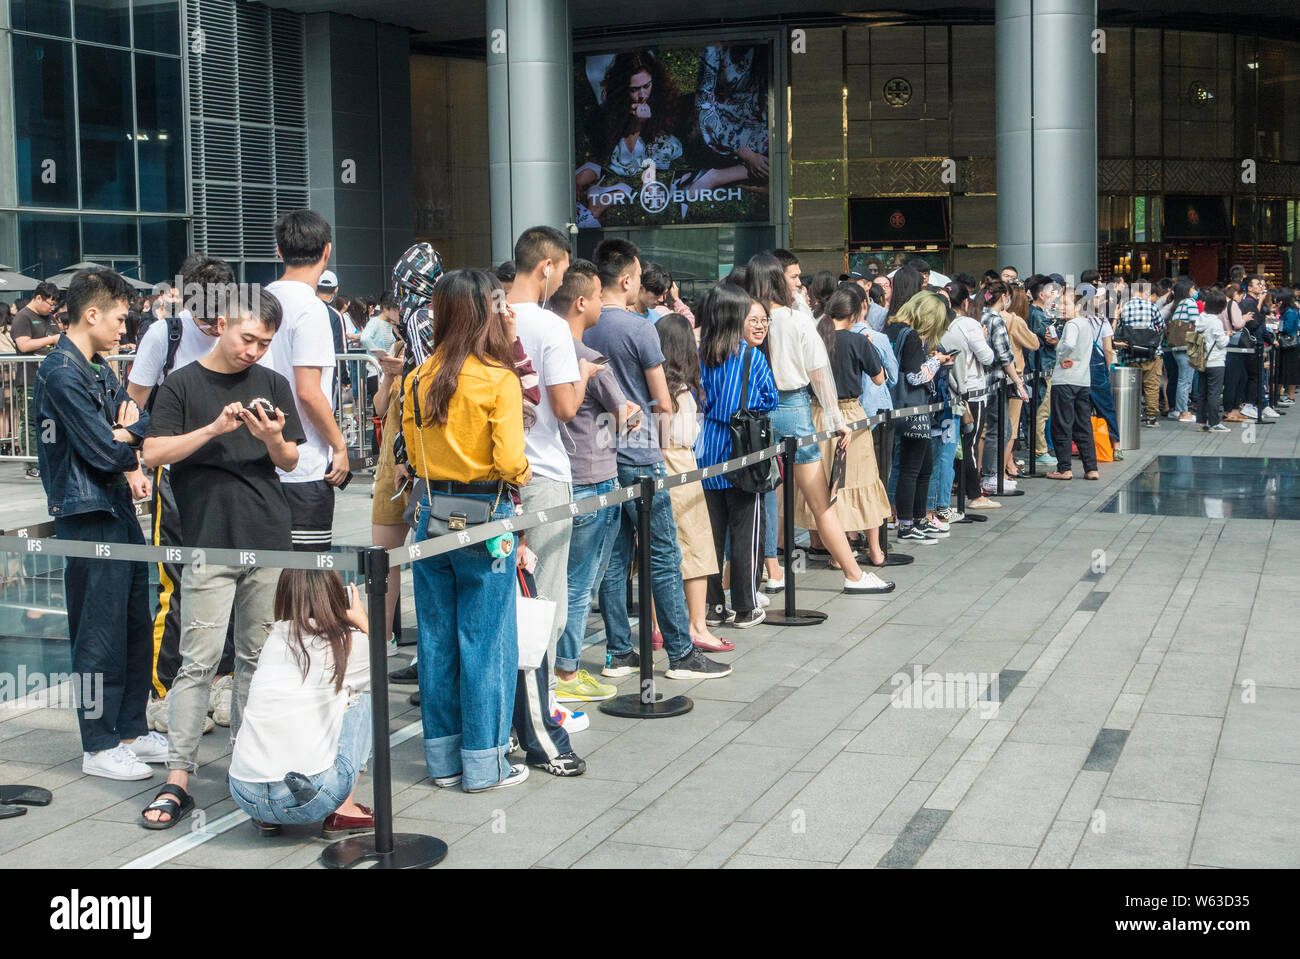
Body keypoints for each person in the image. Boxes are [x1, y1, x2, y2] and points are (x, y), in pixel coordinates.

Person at [139, 288, 304, 827]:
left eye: (265, 342)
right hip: (207, 540)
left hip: (267, 534)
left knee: (257, 658)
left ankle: (247, 767)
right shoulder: (182, 385)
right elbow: (154, 452)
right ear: (220, 325)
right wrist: (213, 429)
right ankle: (178, 777)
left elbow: (290, 457)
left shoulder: (273, 385)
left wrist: (275, 438)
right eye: (247, 337)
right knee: (198, 663)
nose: (253, 351)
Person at [402, 268, 533, 791]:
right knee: (486, 639)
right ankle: (486, 763)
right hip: (487, 512)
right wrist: (526, 477)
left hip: (430, 513)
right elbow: (510, 461)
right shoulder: (498, 379)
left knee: (436, 639)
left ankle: (443, 761)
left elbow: (411, 455)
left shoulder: (417, 377)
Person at [584, 238, 733, 680]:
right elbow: (663, 403)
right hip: (643, 454)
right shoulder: (639, 328)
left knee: (614, 558)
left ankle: (617, 651)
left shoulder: (583, 326)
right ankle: (681, 653)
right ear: (627, 278)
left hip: (601, 454)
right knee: (664, 553)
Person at [128, 255, 262, 732]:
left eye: (220, 316)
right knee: (179, 581)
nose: (213, 326)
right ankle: (165, 691)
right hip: (180, 477)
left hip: (233, 476)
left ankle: (225, 680)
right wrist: (137, 465)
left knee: (235, 575)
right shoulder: (166, 336)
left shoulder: (241, 330)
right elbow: (136, 405)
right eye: (205, 317)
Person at [35, 269, 156, 781]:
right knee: (98, 631)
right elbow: (102, 447)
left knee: (134, 620)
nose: (125, 331)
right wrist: (124, 439)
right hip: (87, 513)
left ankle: (130, 728)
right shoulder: (62, 371)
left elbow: (140, 422)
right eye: (121, 319)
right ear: (92, 314)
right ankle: (98, 742)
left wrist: (124, 434)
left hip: (115, 507)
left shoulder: (98, 367)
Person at [748, 252, 893, 585]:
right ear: (776, 279)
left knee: (766, 496)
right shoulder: (795, 319)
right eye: (795, 277)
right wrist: (834, 418)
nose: (801, 284)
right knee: (821, 502)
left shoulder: (747, 317)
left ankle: (770, 572)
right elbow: (819, 373)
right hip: (793, 408)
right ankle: (854, 575)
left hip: (755, 413)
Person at [508, 226, 606, 713]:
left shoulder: (489, 317)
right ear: (547, 267)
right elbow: (566, 407)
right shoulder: (550, 327)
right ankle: (541, 709)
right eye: (564, 269)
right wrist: (585, 375)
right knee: (545, 596)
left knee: (504, 594)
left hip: (493, 476)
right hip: (543, 470)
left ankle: (507, 708)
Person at [227, 570, 375, 838]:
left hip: (245, 792)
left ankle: (267, 819)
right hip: (310, 795)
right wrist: (363, 622)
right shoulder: (349, 643)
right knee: (363, 697)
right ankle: (344, 809)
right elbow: (380, 665)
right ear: (334, 596)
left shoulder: (274, 638)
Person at [547, 260, 634, 701]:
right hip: (596, 479)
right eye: (599, 296)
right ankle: (566, 672)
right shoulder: (587, 358)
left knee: (562, 579)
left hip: (560, 477)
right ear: (581, 302)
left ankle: (557, 668)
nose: (603, 304)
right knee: (581, 582)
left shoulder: (540, 348)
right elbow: (625, 415)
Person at [694, 284, 779, 631]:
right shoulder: (751, 357)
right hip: (742, 451)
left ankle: (713, 606)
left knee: (709, 533)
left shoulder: (699, 354)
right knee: (746, 531)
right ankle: (745, 606)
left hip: (705, 449)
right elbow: (769, 399)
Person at [795, 288, 895, 572]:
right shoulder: (858, 341)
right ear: (854, 315)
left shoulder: (815, 339)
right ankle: (875, 550)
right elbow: (879, 379)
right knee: (863, 481)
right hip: (850, 415)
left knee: (822, 486)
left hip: (817, 414)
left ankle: (833, 551)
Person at [267, 209, 349, 550]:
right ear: (327, 251)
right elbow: (309, 392)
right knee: (305, 580)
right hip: (304, 466)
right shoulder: (311, 308)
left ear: (279, 251)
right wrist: (340, 446)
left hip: (262, 462)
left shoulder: (257, 300)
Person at [654, 310, 736, 642]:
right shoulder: (677, 393)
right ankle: (697, 627)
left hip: (658, 469)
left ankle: (657, 628)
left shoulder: (652, 385)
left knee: (658, 550)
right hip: (680, 467)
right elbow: (667, 438)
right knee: (697, 548)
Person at [886, 292, 955, 543]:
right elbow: (915, 376)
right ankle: (907, 523)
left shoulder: (893, 329)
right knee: (914, 466)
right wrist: (936, 361)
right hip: (913, 408)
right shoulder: (912, 336)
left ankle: (916, 519)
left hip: (902, 406)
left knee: (922, 465)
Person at [944, 280, 1000, 510]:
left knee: (953, 443)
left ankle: (959, 487)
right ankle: (975, 495)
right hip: (972, 391)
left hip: (950, 388)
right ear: (966, 301)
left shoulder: (942, 322)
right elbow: (988, 357)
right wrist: (984, 337)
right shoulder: (968, 323)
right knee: (969, 442)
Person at [1046, 291, 1098, 481]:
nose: (1061, 307)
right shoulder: (1086, 324)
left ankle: (1064, 468)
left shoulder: (1072, 324)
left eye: (1065, 304)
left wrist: (1060, 353)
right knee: (1083, 424)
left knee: (1062, 424)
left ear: (1077, 307)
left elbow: (1068, 344)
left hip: (1065, 380)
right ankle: (1091, 468)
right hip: (1083, 380)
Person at [12, 280, 62, 477]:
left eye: (54, 305)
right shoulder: (23, 317)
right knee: (31, 421)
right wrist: (51, 340)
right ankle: (32, 463)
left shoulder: (49, 318)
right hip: (30, 378)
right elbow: (23, 346)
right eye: (49, 304)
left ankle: (48, 458)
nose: (51, 308)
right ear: (38, 297)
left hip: (51, 378)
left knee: (49, 420)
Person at [1114, 280, 1165, 427]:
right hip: (1151, 352)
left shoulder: (1124, 307)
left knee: (1132, 387)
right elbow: (1161, 327)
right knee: (1151, 386)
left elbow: (1120, 329)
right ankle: (1151, 417)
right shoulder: (1152, 307)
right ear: (1145, 292)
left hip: (1131, 353)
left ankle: (1131, 415)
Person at [1003, 286, 1040, 479]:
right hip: (1014, 377)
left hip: (996, 378)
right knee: (1011, 428)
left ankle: (1008, 466)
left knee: (993, 428)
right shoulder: (1015, 321)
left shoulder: (995, 317)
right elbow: (1034, 343)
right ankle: (1000, 473)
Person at [1195, 287, 1232, 432]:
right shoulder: (1216, 322)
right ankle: (1215, 423)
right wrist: (1227, 336)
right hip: (1215, 361)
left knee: (1202, 392)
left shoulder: (1201, 319)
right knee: (1214, 393)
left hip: (1201, 360)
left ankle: (1201, 422)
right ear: (1220, 307)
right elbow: (1222, 342)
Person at [1166, 277, 1199, 423]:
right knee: (1185, 381)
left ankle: (1177, 409)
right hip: (1187, 346)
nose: (1195, 291)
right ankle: (1183, 411)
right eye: (1193, 288)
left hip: (1176, 346)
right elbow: (1197, 323)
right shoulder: (1190, 303)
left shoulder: (1177, 305)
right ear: (1187, 290)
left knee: (1180, 379)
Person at [1278, 290, 1299, 406]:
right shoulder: (1291, 311)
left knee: (1290, 369)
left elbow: (1287, 327)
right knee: (1285, 369)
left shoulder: (1290, 312)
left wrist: (1277, 325)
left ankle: (1290, 396)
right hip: (1289, 343)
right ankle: (1284, 394)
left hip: (1290, 343)